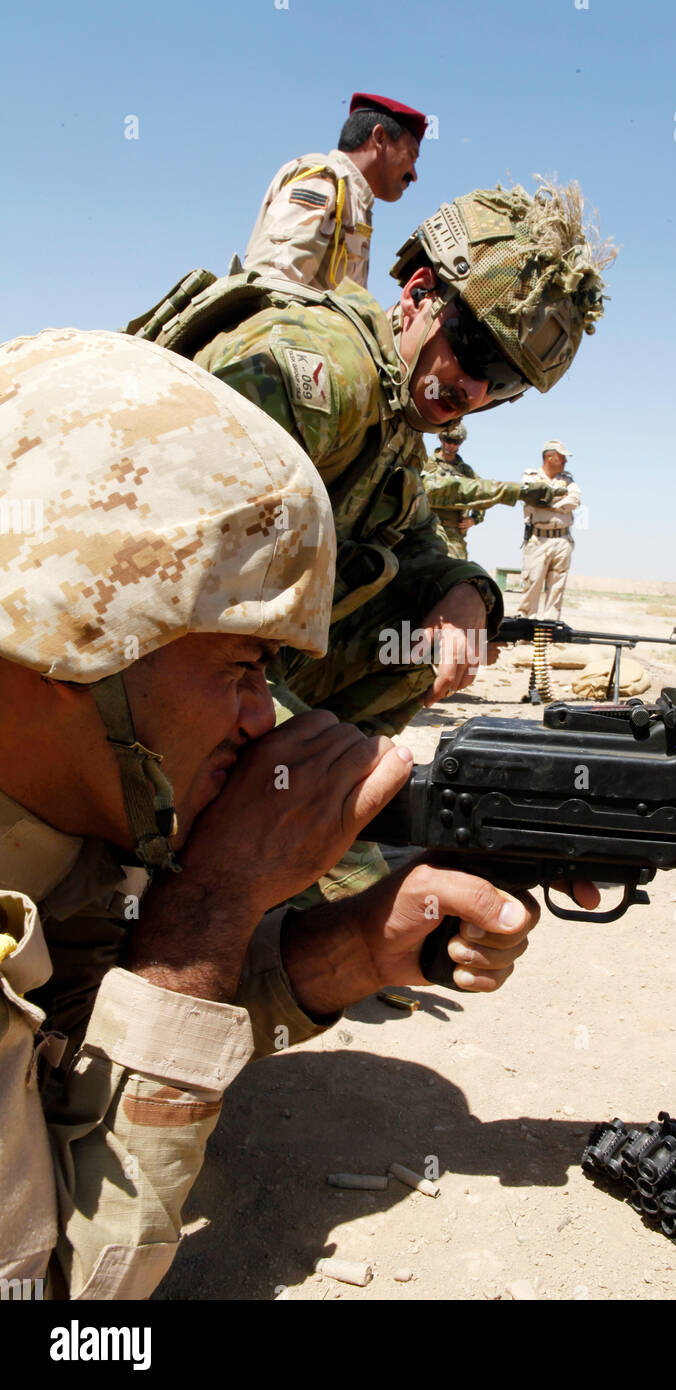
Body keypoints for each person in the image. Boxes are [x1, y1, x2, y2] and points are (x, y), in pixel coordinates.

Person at [0, 328, 570, 1300]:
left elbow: (81, 1028)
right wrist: (211, 907)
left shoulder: (67, 812)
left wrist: (354, 948)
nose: (264, 716)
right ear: (72, 636)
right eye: (240, 665)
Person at [134, 178, 614, 741]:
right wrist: (312, 765)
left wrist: (465, 591)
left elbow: (411, 533)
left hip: (222, 666)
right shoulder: (325, 377)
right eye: (476, 351)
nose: (478, 392)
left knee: (419, 639)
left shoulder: (397, 412)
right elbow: (168, 591)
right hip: (138, 661)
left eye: (507, 383)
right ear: (417, 294)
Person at [243, 92, 427, 291]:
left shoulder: (354, 201)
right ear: (379, 137)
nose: (414, 174)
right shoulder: (326, 180)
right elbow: (269, 286)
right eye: (411, 156)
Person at [421, 421, 555, 560]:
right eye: (448, 440)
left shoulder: (466, 470)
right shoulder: (427, 464)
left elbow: (482, 493)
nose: (451, 445)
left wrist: (474, 519)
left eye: (456, 442)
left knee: (457, 571)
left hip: (454, 530)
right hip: (428, 526)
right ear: (441, 439)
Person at [517, 440, 583, 621]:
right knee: (532, 584)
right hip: (538, 539)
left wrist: (548, 502)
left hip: (562, 540)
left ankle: (548, 631)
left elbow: (574, 501)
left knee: (557, 588)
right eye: (562, 457)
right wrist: (557, 499)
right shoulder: (530, 476)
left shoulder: (568, 480)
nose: (565, 461)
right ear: (549, 457)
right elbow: (533, 498)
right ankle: (526, 628)